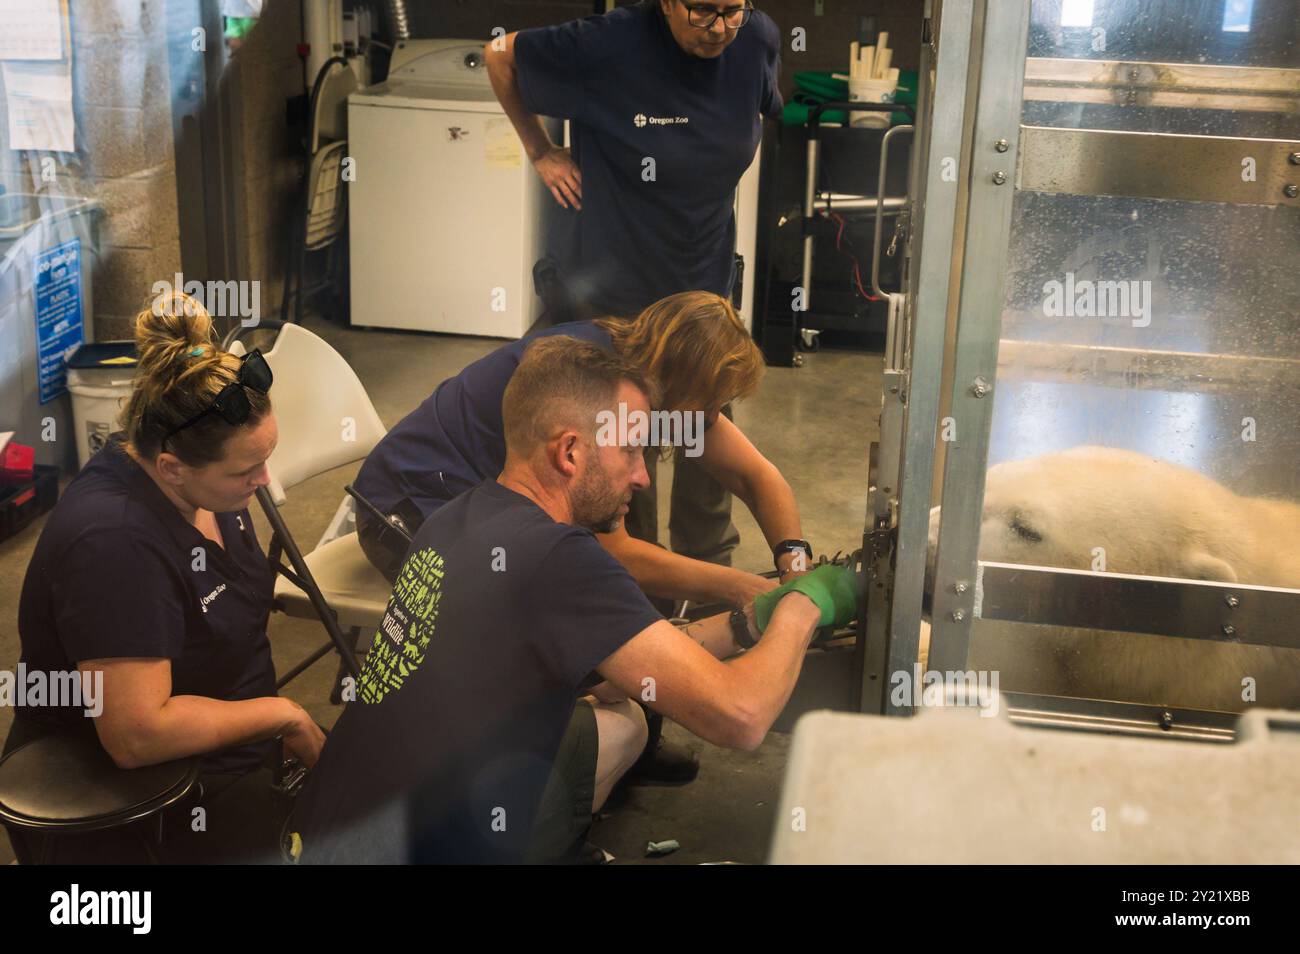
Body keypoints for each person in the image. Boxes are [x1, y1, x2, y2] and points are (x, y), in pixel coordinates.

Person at [287, 336, 855, 863]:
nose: (642, 477)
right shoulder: (561, 559)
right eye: (632, 453)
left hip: (325, 833)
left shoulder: (454, 517)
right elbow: (742, 717)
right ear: (571, 452)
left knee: (619, 711)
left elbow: (615, 674)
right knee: (625, 725)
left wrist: (746, 624)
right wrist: (805, 603)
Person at [352, 292, 815, 781]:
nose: (714, 417)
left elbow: (756, 477)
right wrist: (743, 589)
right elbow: (615, 557)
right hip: (406, 506)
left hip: (470, 498)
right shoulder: (600, 390)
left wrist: (795, 562)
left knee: (627, 592)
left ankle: (627, 739)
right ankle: (561, 764)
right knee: (575, 608)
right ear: (682, 380)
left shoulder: (656, 382)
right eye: (712, 402)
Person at [2, 293, 324, 864]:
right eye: (247, 470)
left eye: (265, 458)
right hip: (141, 799)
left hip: (230, 753)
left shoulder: (203, 484)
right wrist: (283, 715)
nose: (264, 480)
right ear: (172, 466)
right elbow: (137, 736)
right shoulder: (114, 546)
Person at [485, 0, 786, 582]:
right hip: (615, 298)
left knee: (704, 442)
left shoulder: (757, 42)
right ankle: (633, 590)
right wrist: (540, 151)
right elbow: (500, 55)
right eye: (703, 11)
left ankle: (705, 586)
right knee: (625, 457)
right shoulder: (608, 44)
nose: (720, 27)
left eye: (733, 10)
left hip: (702, 295)